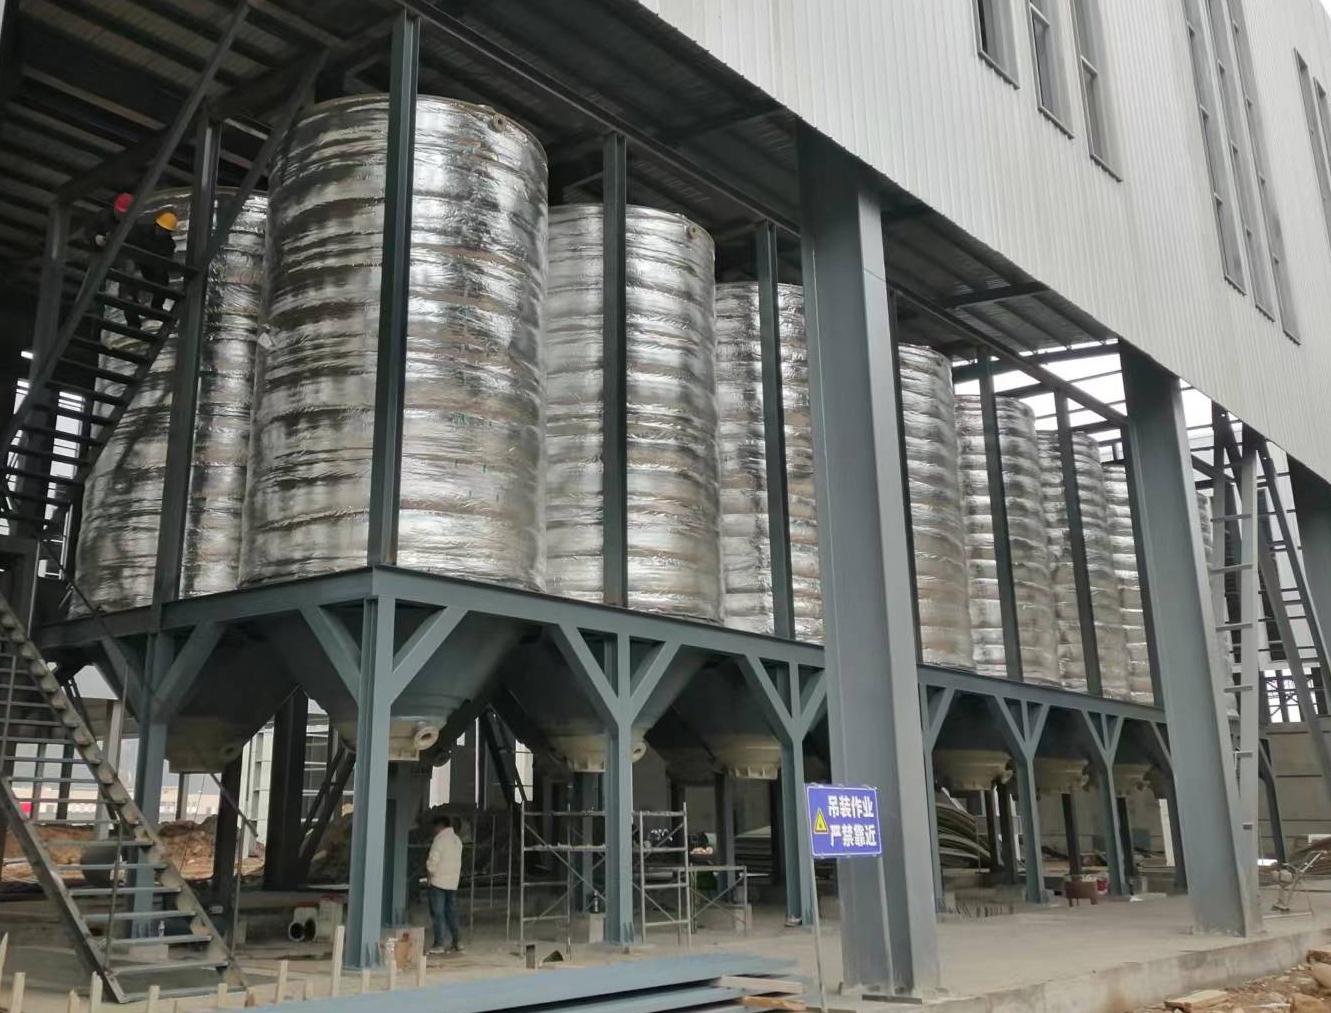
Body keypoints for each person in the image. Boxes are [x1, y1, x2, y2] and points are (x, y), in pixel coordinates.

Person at [424, 814, 463, 955]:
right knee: (451, 912)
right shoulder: (457, 840)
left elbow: (432, 862)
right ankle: (457, 942)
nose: (433, 830)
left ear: (439, 826)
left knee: (438, 913)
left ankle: (439, 943)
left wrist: (429, 874)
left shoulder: (439, 840)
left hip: (438, 882)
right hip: (453, 883)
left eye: (434, 827)